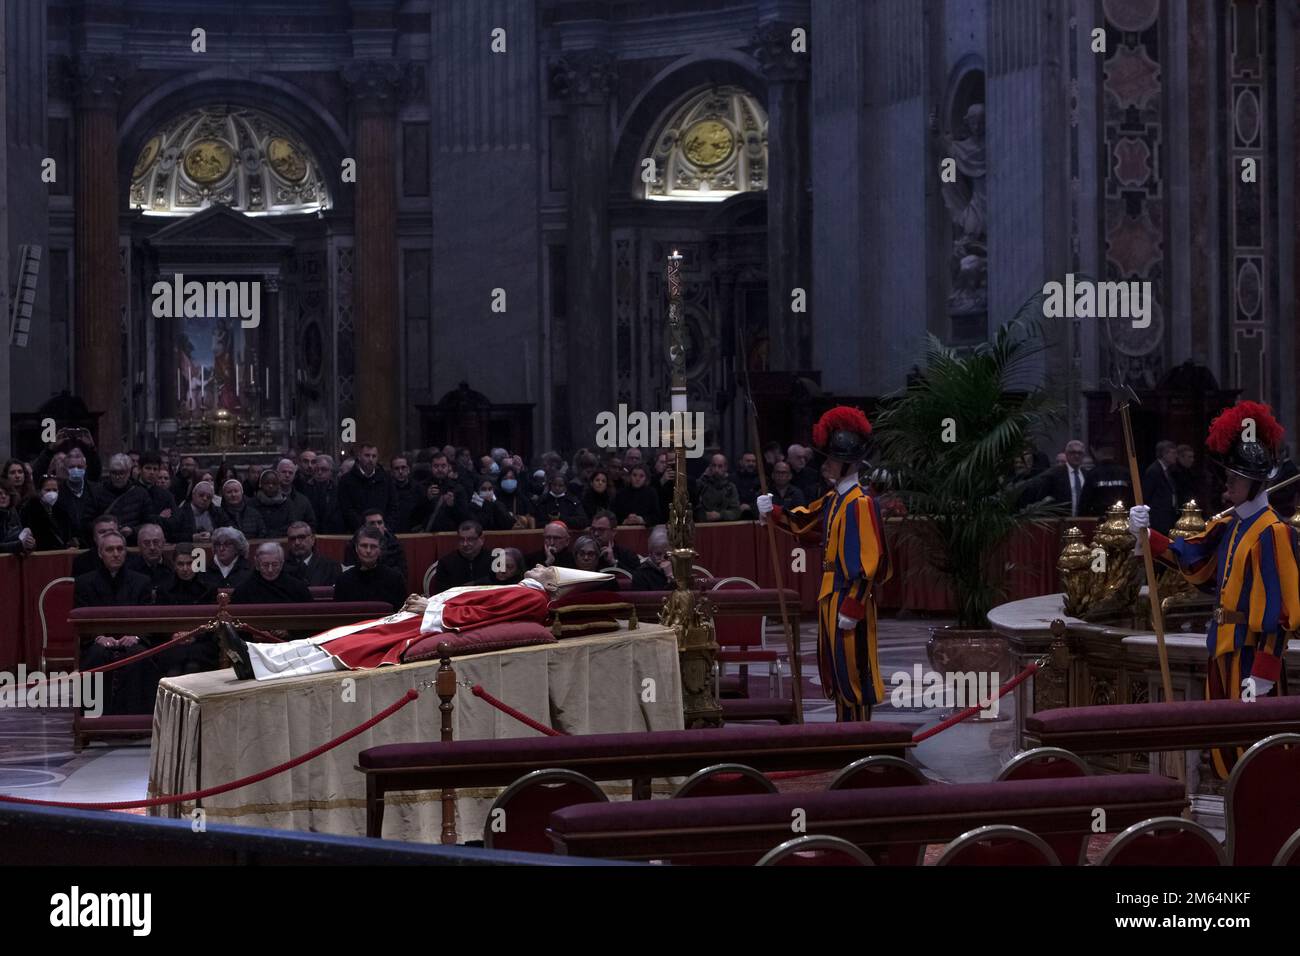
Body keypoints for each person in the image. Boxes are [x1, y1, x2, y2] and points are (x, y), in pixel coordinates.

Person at [1129, 401, 1298, 778]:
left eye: (1236, 478)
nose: (1229, 484)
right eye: (1229, 477)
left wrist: (1265, 671)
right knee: (1224, 750)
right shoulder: (1230, 525)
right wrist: (1146, 533)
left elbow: (1282, 610)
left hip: (1251, 656)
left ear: (1256, 482)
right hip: (1220, 647)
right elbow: (1192, 558)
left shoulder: (1274, 532)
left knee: (1257, 755)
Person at [222, 566, 613, 680]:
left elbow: (479, 615)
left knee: (349, 645)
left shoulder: (530, 595)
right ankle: (258, 657)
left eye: (548, 568)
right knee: (340, 636)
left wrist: (429, 607)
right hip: (427, 618)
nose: (541, 563)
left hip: (426, 626)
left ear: (552, 583)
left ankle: (259, 664)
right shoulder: (527, 589)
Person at [758, 407, 892, 722]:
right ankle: (846, 734)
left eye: (831, 459)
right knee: (836, 671)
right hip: (830, 596)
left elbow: (869, 564)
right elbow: (804, 522)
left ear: (847, 463)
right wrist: (774, 511)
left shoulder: (859, 503)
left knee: (853, 674)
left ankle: (858, 740)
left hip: (847, 598)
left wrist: (854, 605)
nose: (826, 464)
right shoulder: (834, 499)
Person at [74, 531, 158, 714]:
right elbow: (81, 621)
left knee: (139, 655)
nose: (116, 553)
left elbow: (149, 619)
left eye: (120, 549)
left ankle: (135, 721)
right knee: (96, 655)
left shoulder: (141, 582)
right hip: (97, 641)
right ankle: (94, 720)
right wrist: (98, 637)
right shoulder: (84, 583)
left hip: (132, 640)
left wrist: (135, 636)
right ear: (100, 553)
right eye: (110, 549)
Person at [334, 526, 407, 611]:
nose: (368, 551)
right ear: (356, 548)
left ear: (380, 550)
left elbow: (401, 613)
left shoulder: (395, 579)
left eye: (373, 546)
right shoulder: (343, 580)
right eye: (364, 546)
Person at [91, 453, 152, 544]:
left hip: (132, 543)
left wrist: (133, 530)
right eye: (114, 473)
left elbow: (149, 522)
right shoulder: (97, 492)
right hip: (104, 544)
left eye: (121, 473)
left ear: (129, 472)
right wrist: (104, 529)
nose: (117, 477)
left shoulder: (141, 494)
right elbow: (88, 521)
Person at [231, 542, 314, 605]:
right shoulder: (243, 590)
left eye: (275, 564)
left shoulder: (297, 587)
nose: (270, 570)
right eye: (265, 565)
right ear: (257, 564)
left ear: (282, 563)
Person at [338, 443, 396, 532]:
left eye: (374, 456)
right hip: (356, 532)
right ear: (359, 456)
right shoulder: (346, 481)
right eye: (367, 455)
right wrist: (363, 528)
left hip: (383, 532)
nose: (371, 459)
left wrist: (384, 527)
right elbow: (346, 509)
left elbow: (392, 506)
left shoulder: (386, 479)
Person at [431, 519, 494, 593]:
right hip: (457, 602)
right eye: (461, 539)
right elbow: (441, 593)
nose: (465, 544)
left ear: (482, 539)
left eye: (470, 539)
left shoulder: (494, 559)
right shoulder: (445, 563)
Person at [342, 509, 408, 580]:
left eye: (380, 523)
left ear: (384, 526)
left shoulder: (395, 545)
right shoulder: (353, 546)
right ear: (363, 527)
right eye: (372, 523)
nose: (377, 526)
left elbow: (402, 575)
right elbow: (349, 573)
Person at [21, 474, 73, 550]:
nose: (52, 494)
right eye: (47, 490)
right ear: (39, 491)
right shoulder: (29, 510)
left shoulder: (63, 510)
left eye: (55, 490)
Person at [284, 521, 342, 587]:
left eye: (302, 537)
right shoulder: (281, 567)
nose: (297, 542)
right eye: (292, 538)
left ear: (312, 539)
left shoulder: (331, 567)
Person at [1141, 439, 1180, 535]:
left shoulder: (1168, 470)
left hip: (1167, 516)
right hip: (1158, 518)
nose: (1176, 456)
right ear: (1164, 454)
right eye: (1173, 453)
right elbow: (1147, 495)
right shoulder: (1154, 471)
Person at [126, 523, 173, 598]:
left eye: (156, 542)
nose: (152, 547)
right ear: (139, 545)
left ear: (164, 543)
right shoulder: (130, 570)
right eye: (146, 543)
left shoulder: (173, 567)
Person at [588, 509, 640, 573]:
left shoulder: (627, 555)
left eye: (601, 530)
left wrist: (613, 562)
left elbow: (637, 579)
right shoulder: (583, 553)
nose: (596, 534)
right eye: (593, 529)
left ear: (613, 532)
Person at [695, 454, 741, 522]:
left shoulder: (730, 487)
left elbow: (736, 512)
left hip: (723, 525)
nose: (716, 470)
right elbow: (693, 508)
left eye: (720, 466)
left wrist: (720, 515)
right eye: (714, 465)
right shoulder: (701, 484)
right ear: (710, 466)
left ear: (725, 468)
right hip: (703, 524)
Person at [631, 525, 673, 591]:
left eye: (667, 554)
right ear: (650, 553)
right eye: (658, 554)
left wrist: (671, 577)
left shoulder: (679, 571)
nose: (662, 558)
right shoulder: (640, 574)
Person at [0, 485, 36, 555]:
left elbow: (18, 539)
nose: (4, 496)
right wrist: (20, 545)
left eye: (7, 494)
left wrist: (30, 544)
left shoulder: (12, 512)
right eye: (0, 493)